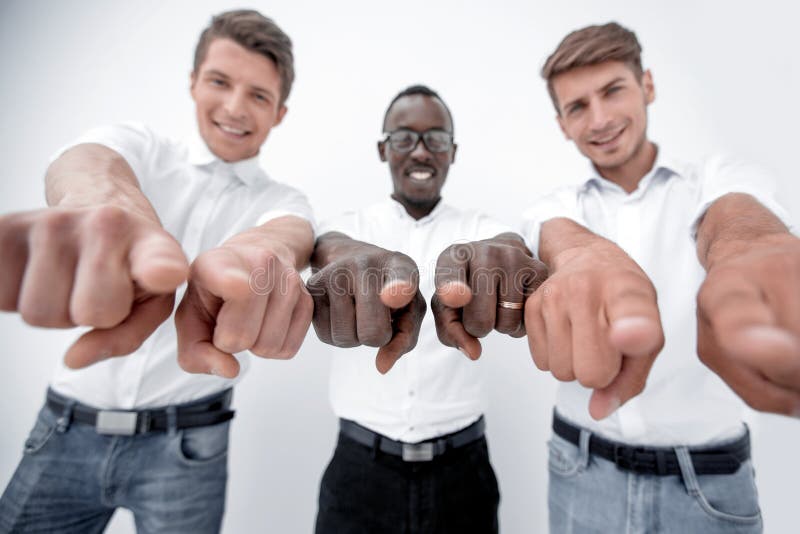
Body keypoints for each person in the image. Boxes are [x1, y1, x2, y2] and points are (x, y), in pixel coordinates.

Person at [0, 10, 314, 533]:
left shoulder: (283, 199)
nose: (235, 107)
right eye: (220, 82)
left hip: (189, 446)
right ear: (192, 82)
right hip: (65, 429)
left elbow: (287, 235)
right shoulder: (140, 145)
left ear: (280, 112)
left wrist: (268, 254)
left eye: (258, 95)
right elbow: (90, 163)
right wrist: (107, 205)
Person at [521, 22, 799, 533]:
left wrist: (747, 247)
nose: (600, 119)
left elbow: (736, 215)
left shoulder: (717, 179)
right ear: (561, 124)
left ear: (647, 85)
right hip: (580, 471)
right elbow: (554, 235)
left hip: (711, 483)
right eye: (577, 107)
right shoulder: (555, 207)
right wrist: (579, 255)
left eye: (612, 91)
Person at [309, 85, 547, 534]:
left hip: (463, 474)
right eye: (404, 138)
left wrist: (501, 254)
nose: (420, 151)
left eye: (436, 139)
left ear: (452, 152)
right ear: (383, 149)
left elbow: (507, 245)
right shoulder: (349, 225)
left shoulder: (481, 226)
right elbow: (328, 248)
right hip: (359, 473)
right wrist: (344, 259)